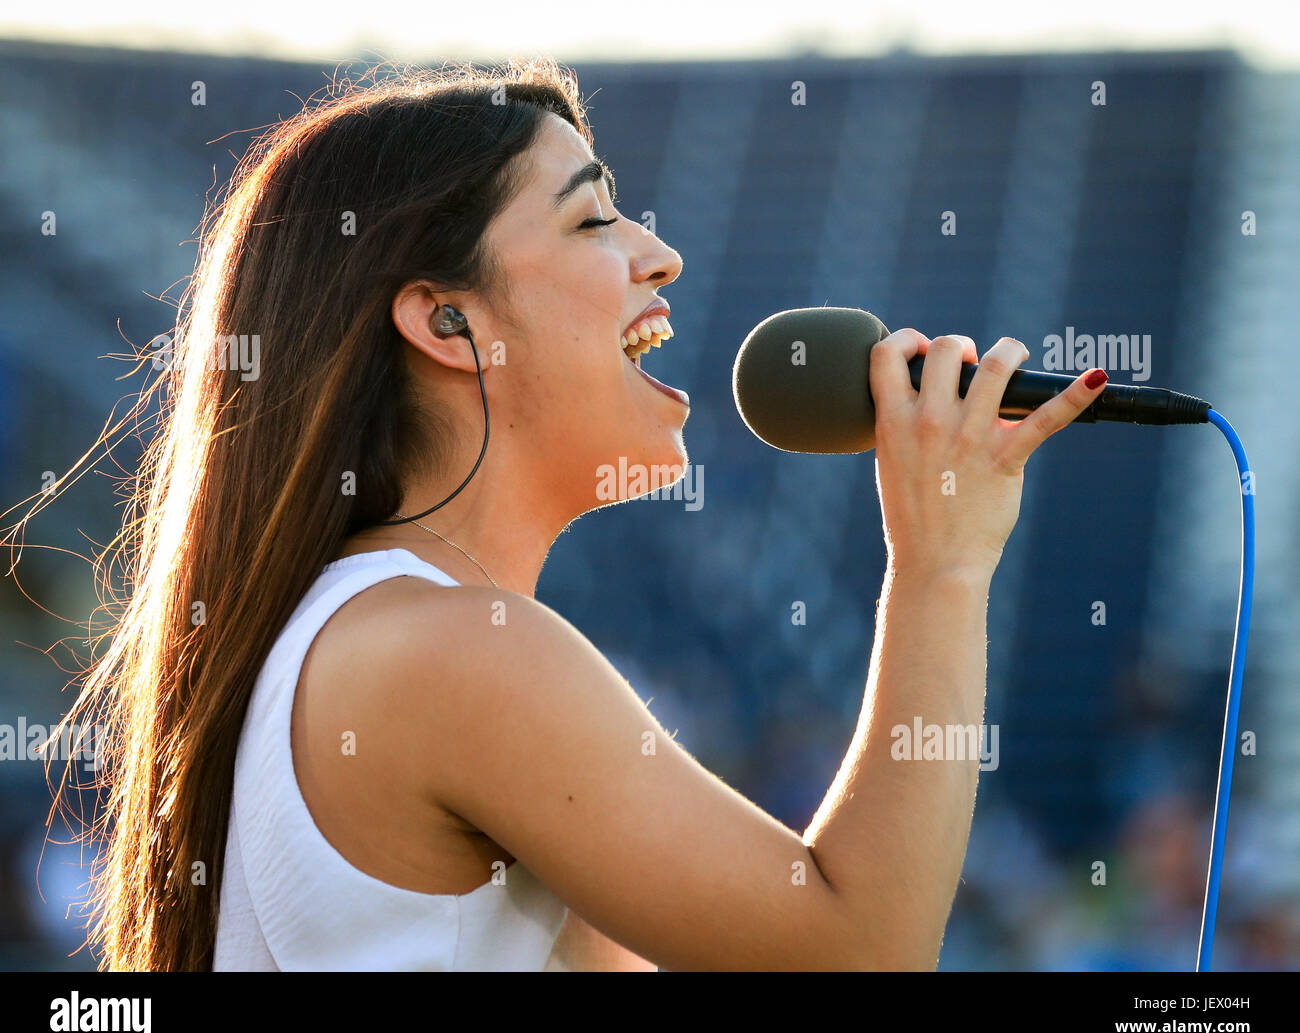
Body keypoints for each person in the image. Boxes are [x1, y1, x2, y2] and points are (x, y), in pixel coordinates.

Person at [34, 56, 1107, 971]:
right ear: (448, 321)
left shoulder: (392, 636)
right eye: (594, 217)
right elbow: (857, 949)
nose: (659, 254)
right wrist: (942, 567)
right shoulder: (444, 652)